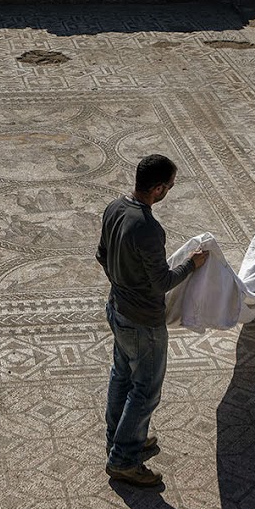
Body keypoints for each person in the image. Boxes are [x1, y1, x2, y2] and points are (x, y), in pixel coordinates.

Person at [96, 154, 208, 489]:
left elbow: (101, 254)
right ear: (157, 188)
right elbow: (161, 282)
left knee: (122, 377)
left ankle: (122, 435)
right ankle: (124, 460)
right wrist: (193, 265)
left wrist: (122, 282)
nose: (170, 190)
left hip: (117, 309)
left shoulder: (115, 208)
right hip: (142, 321)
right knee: (146, 391)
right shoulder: (148, 228)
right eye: (170, 186)